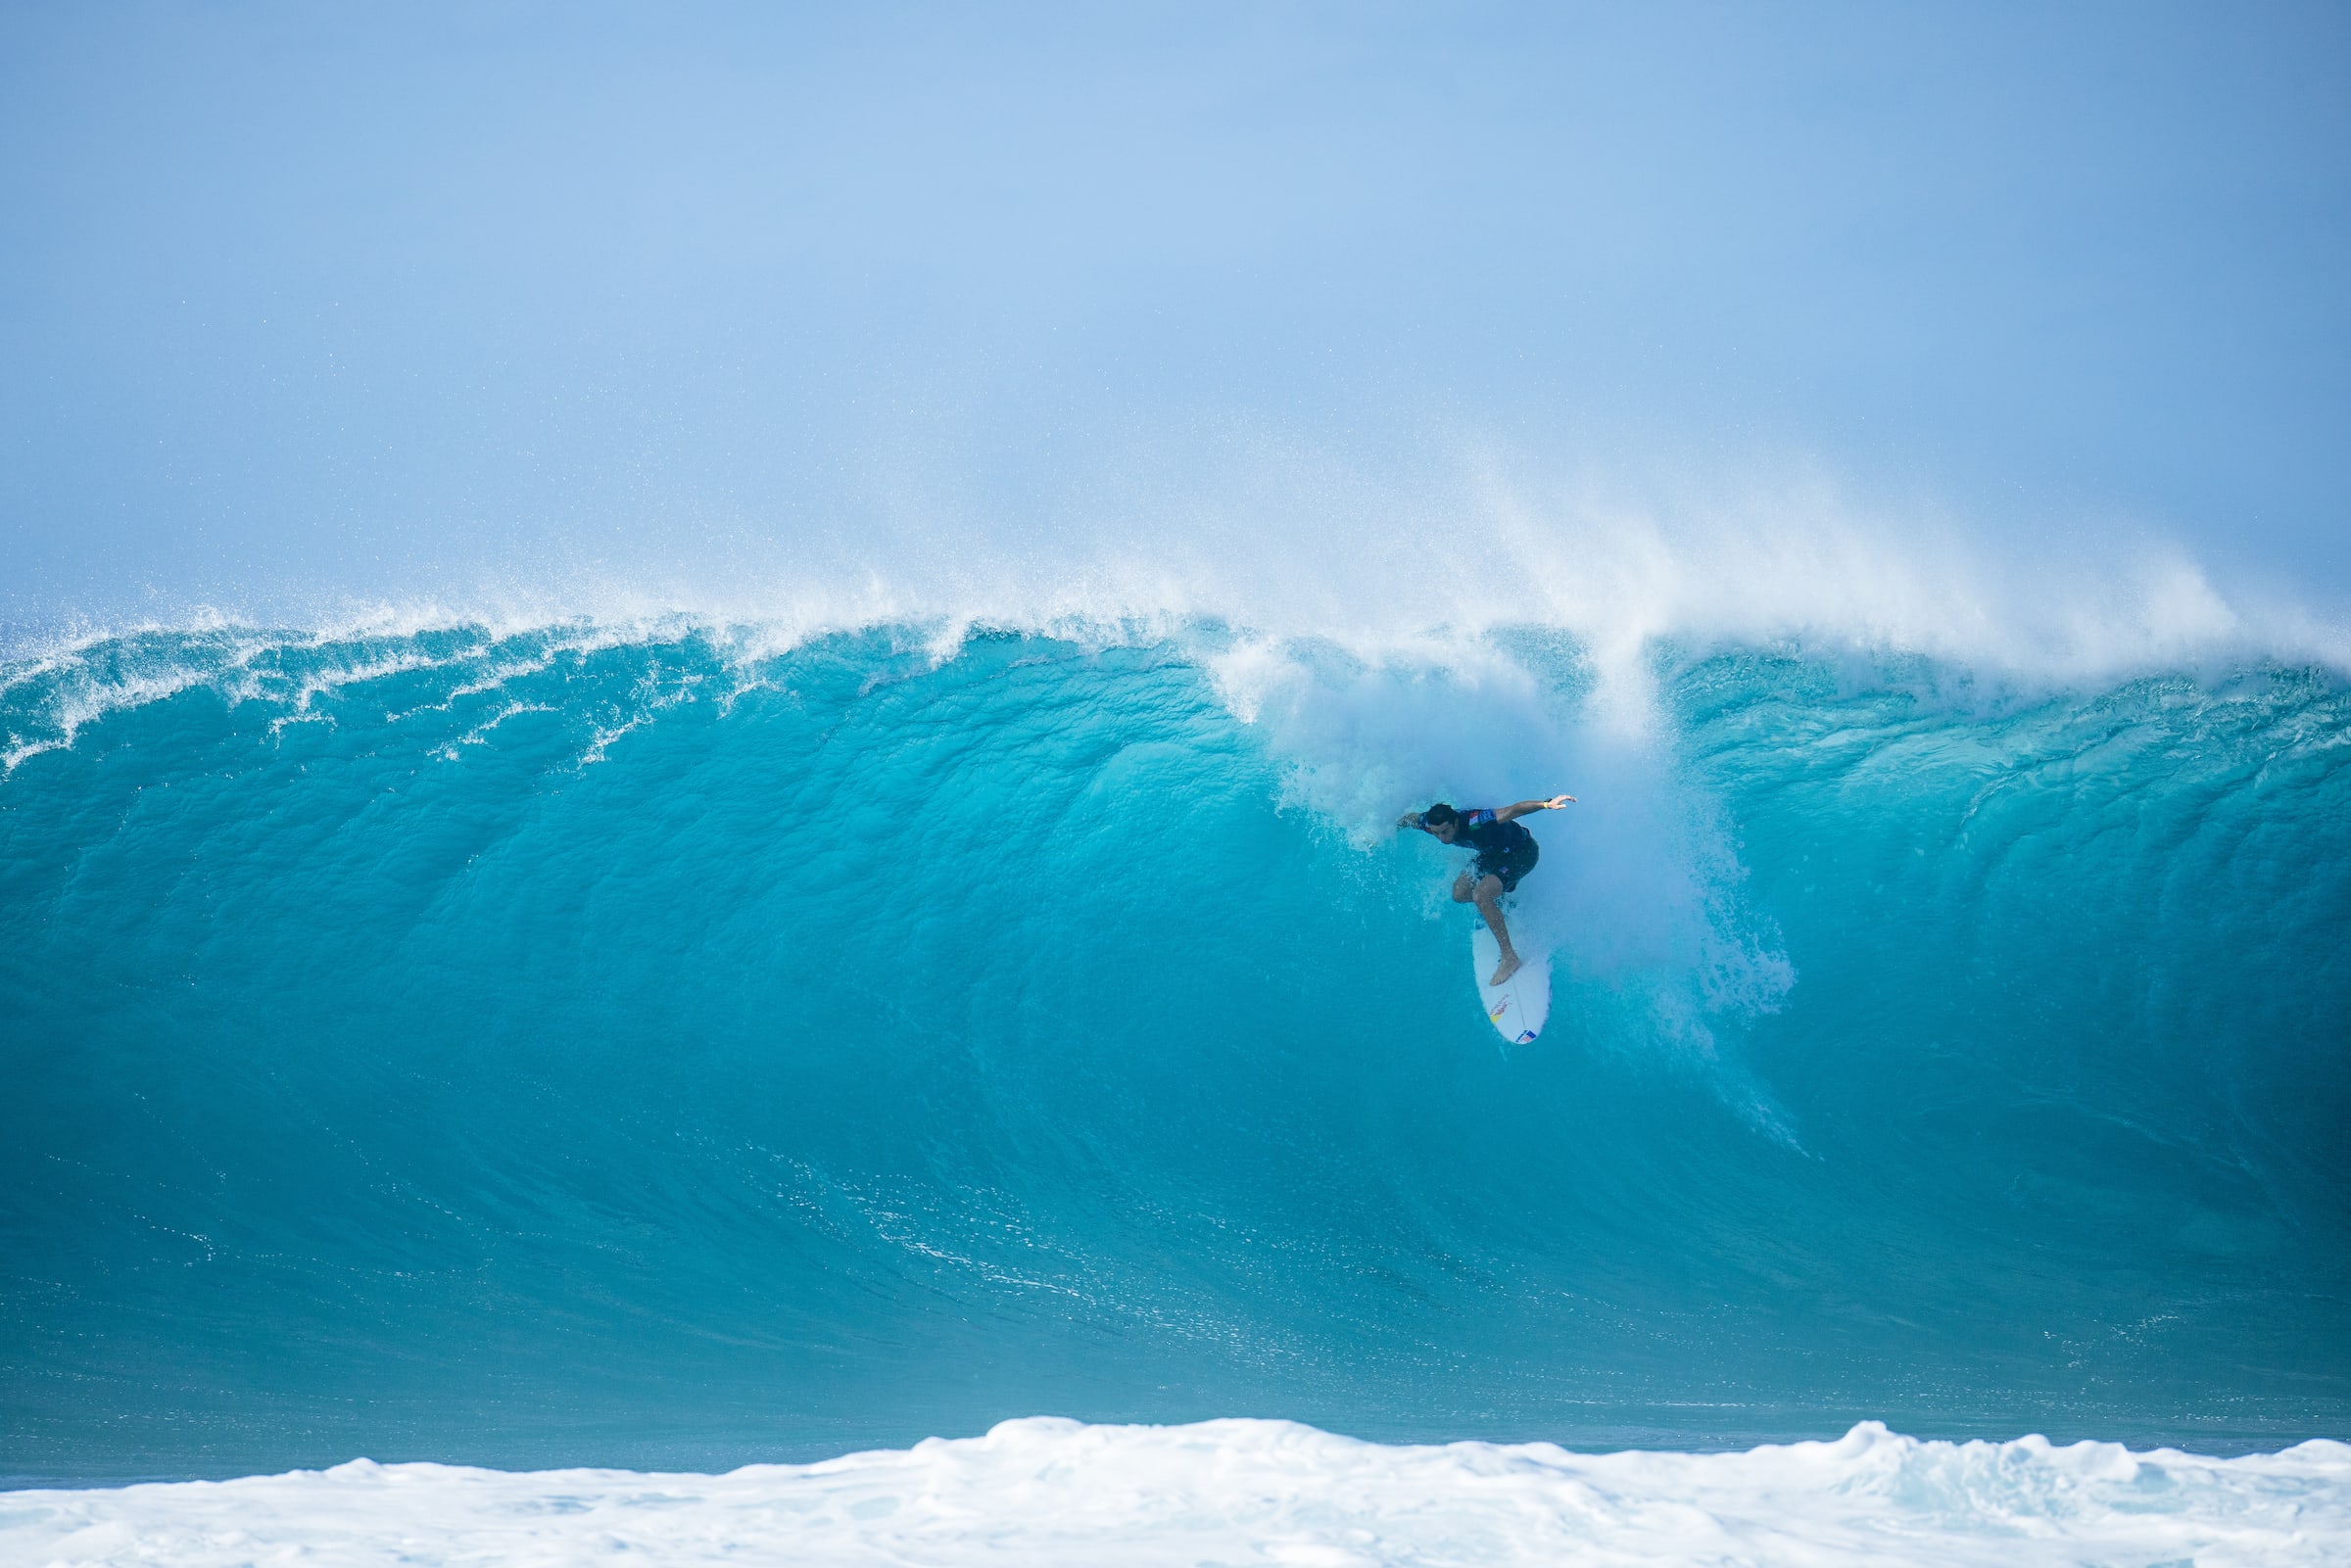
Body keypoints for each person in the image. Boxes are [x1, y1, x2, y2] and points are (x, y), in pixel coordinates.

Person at [1398, 795, 1575, 985]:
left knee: (1481, 896)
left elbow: (1514, 809)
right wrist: (1388, 827)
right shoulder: (1429, 824)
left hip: (1521, 853)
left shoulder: (1475, 821)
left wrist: (1547, 804)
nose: (1441, 838)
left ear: (1455, 822)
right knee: (1459, 893)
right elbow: (1410, 818)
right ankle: (1501, 904)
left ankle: (1509, 957)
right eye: (1436, 833)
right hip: (1492, 855)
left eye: (1445, 832)